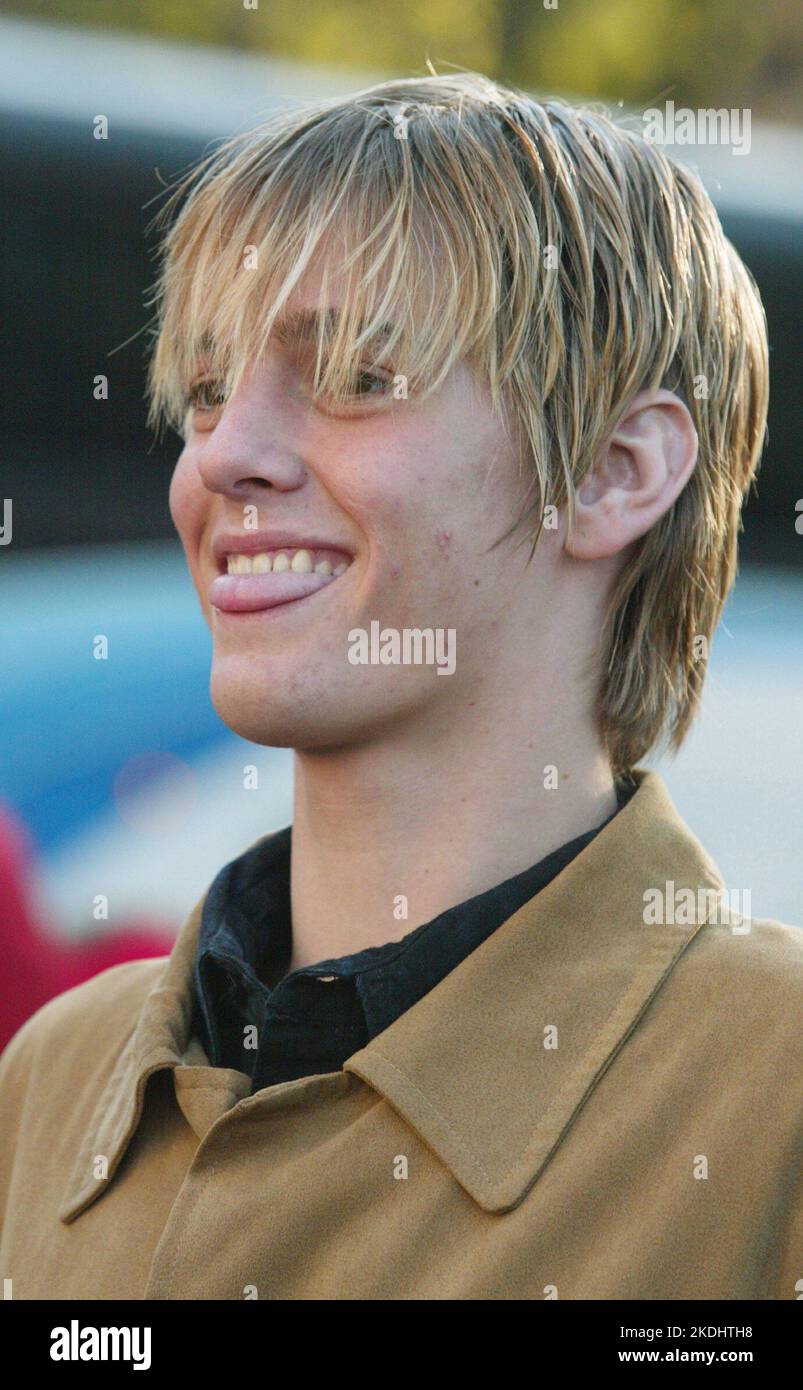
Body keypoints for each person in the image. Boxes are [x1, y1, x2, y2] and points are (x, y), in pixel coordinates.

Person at [1, 71, 800, 1301]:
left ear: (611, 472)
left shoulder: (772, 1100)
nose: (222, 455)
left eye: (360, 377)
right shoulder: (45, 1081)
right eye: (206, 391)